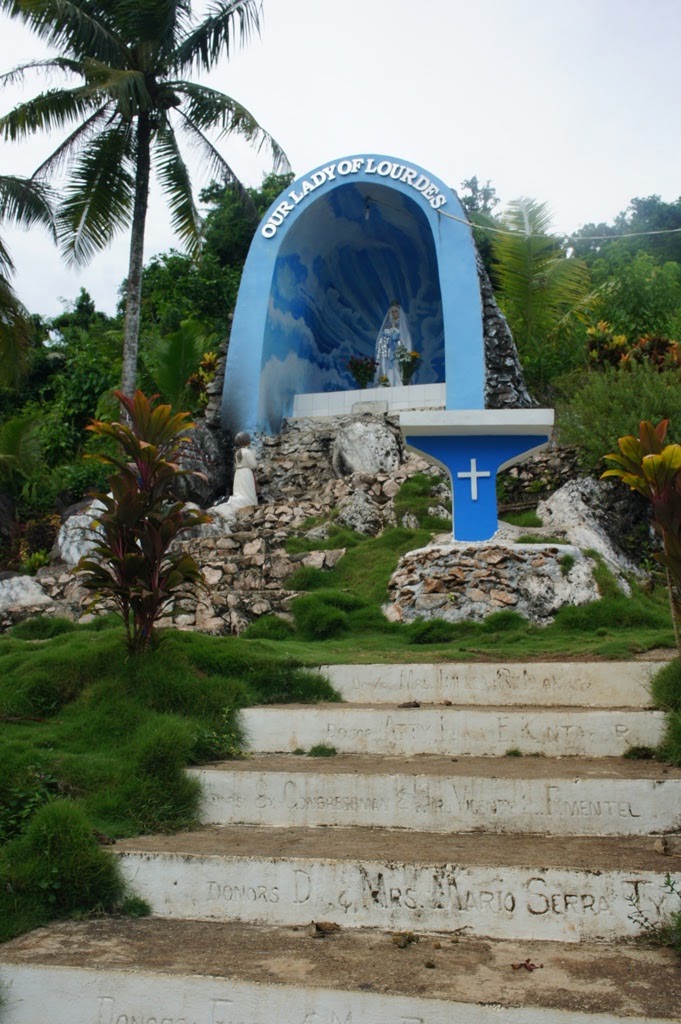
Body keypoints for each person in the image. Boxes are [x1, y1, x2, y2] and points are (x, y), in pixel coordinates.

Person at [374, 302, 412, 387]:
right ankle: (387, 383)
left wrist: (396, 339)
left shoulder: (402, 325)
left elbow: (406, 339)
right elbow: (381, 338)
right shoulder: (386, 325)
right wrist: (387, 339)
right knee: (388, 369)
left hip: (398, 351)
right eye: (392, 312)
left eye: (396, 311)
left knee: (398, 369)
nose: (394, 313)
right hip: (388, 352)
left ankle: (399, 384)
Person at [229, 431, 258, 508]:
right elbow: (253, 465)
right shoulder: (247, 452)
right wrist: (254, 456)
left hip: (238, 474)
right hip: (246, 473)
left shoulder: (236, 453)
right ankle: (249, 503)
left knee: (239, 491)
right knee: (248, 492)